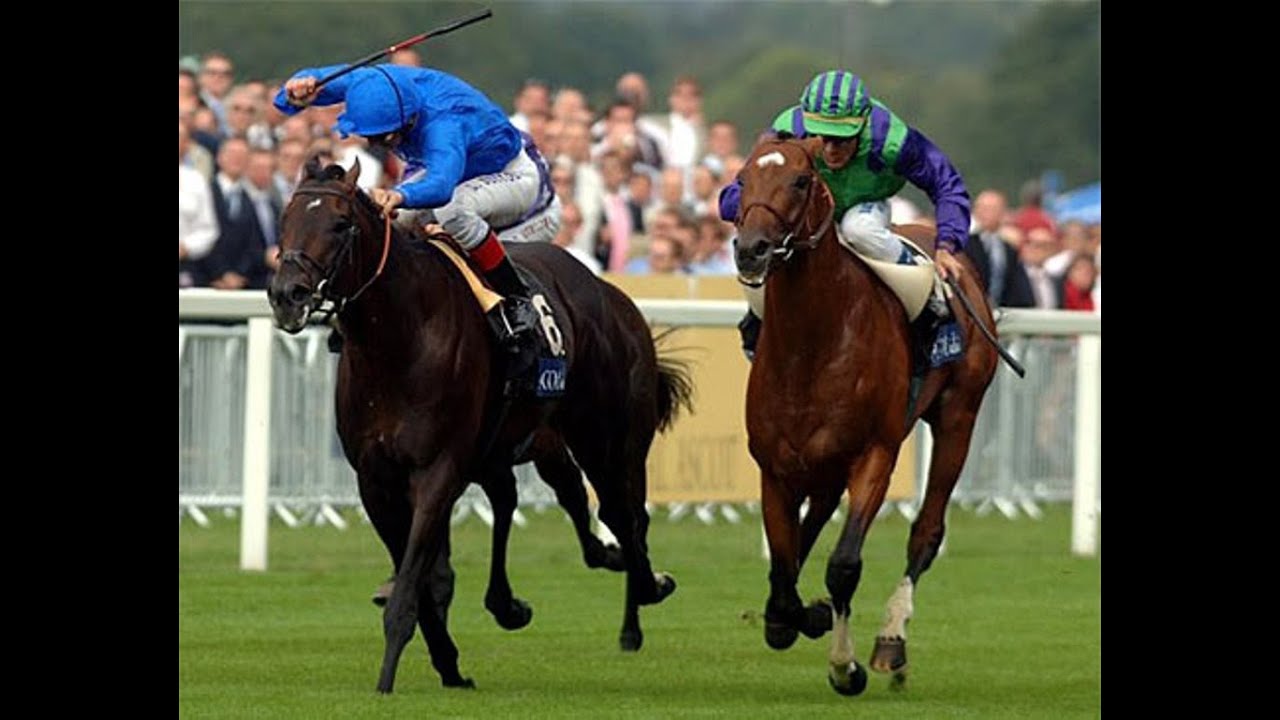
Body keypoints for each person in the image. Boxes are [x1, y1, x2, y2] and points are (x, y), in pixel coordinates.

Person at [274, 63, 561, 380]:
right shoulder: (369, 82)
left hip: (508, 174)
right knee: (381, 217)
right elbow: (293, 95)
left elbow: (440, 186)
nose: (377, 145)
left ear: (405, 122)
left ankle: (516, 301)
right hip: (458, 168)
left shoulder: (445, 124)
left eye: (381, 138)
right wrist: (294, 94)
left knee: (453, 211)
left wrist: (400, 196)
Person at [719, 70, 971, 361]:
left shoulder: (891, 137)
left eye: (842, 139)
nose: (830, 149)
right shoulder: (786, 132)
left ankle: (928, 291)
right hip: (812, 208)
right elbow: (738, 193)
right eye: (822, 137)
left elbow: (946, 182)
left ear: (863, 122)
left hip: (865, 203)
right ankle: (757, 323)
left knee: (858, 228)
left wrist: (947, 244)